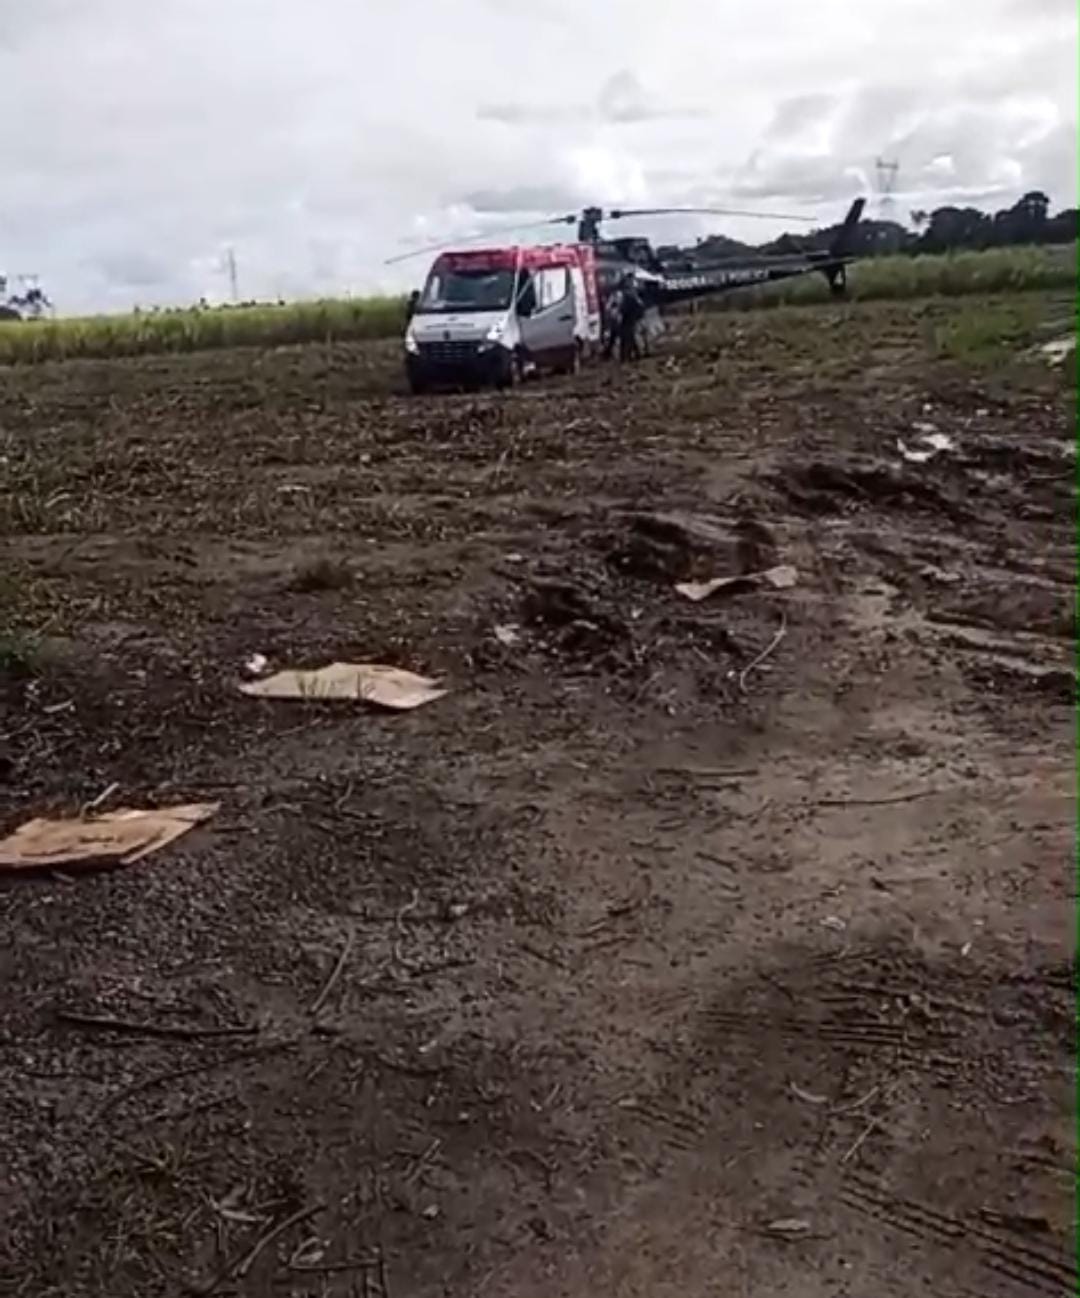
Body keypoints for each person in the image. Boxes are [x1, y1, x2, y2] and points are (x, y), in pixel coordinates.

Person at [616, 273, 646, 363]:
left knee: (627, 337)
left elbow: (624, 307)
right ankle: (631, 355)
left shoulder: (628, 295)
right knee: (629, 336)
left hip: (629, 316)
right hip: (630, 316)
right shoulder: (631, 293)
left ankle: (627, 356)